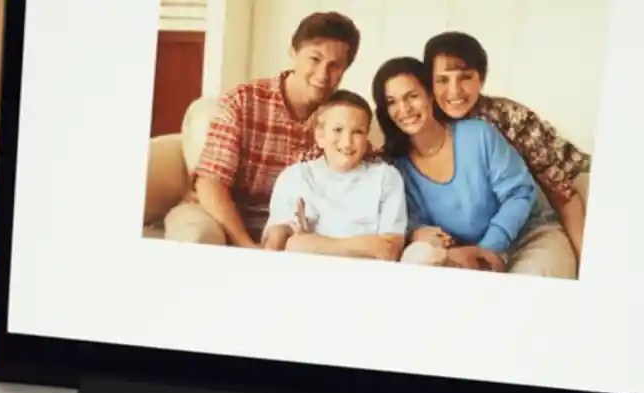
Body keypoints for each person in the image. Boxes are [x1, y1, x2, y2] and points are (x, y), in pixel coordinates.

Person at [163, 11, 361, 248]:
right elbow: (210, 184)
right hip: (221, 218)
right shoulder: (242, 101)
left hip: (291, 234)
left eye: (334, 65)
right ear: (293, 52)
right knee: (195, 234)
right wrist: (247, 246)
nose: (322, 74)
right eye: (315, 59)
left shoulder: (342, 118)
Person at [372, 57, 577, 278]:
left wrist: (486, 248)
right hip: (465, 256)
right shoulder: (397, 167)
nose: (404, 109)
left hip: (528, 239)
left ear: (430, 95)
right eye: (392, 102)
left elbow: (519, 193)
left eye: (412, 96)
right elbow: (412, 222)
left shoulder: (479, 134)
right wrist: (422, 235)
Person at [423, 32, 591, 260]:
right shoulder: (423, 121)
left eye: (465, 77)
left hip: (566, 188)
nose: (454, 91)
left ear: (481, 79)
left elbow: (562, 193)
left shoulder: (509, 117)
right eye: (443, 80)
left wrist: (585, 262)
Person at [261, 90, 407, 262]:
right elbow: (278, 244)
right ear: (320, 136)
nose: (347, 142)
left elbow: (388, 250)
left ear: (367, 137)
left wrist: (310, 244)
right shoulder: (295, 177)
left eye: (358, 132)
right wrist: (367, 246)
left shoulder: (386, 177)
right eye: (338, 130)